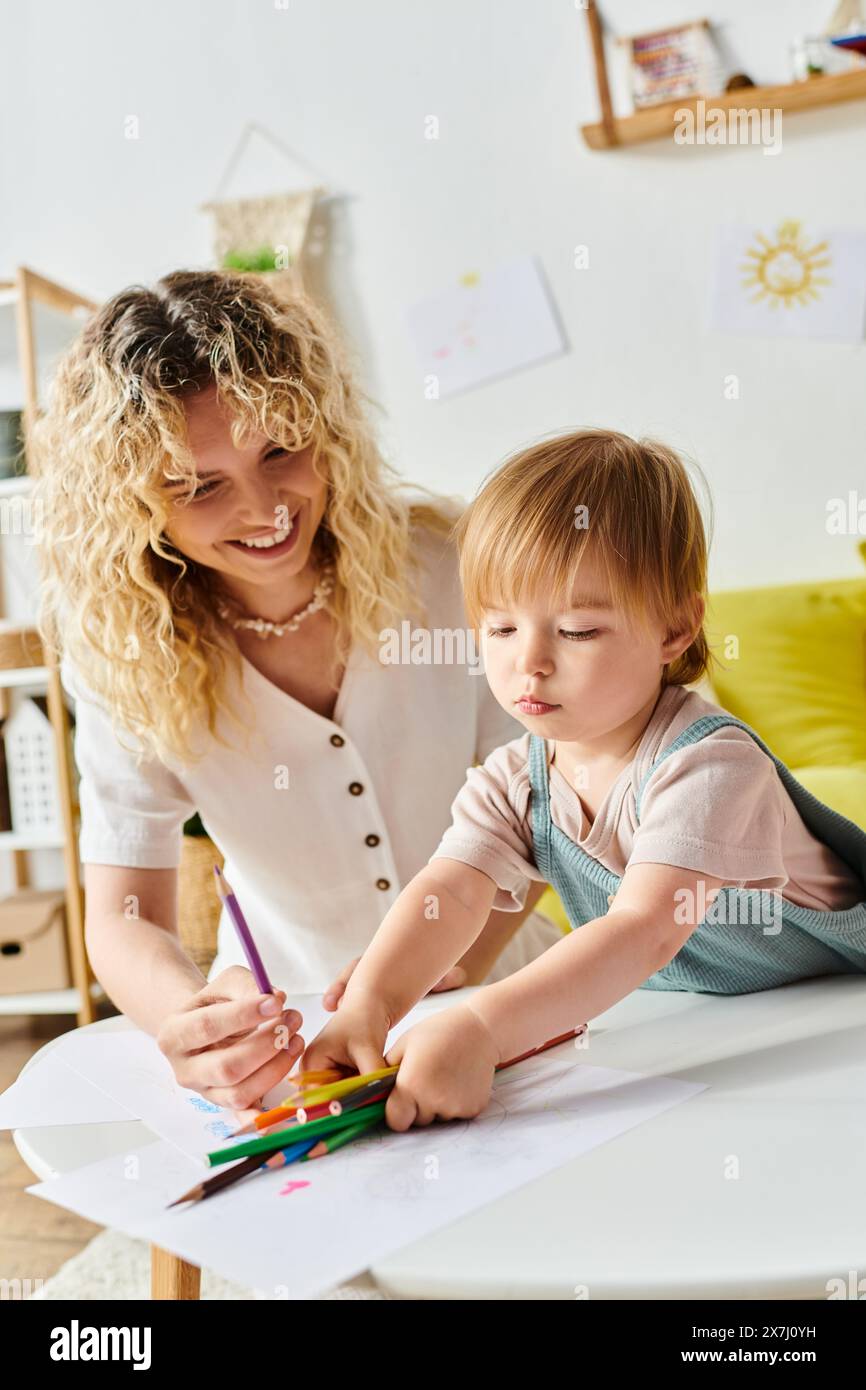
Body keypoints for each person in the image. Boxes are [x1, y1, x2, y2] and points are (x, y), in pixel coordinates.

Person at [29, 269, 562, 1120]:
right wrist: (186, 1021)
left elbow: (544, 801)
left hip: (516, 996)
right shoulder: (123, 653)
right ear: (135, 507)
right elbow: (126, 914)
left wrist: (446, 972)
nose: (265, 507)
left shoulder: (450, 567)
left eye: (280, 450)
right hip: (306, 1046)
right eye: (199, 486)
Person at [301, 429, 866, 1130]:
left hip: (839, 1013)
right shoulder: (517, 775)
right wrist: (372, 1003)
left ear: (673, 629)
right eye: (502, 628)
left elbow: (644, 929)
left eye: (576, 632)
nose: (529, 663)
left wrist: (482, 1026)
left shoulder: (710, 765)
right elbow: (450, 888)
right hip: (712, 1022)